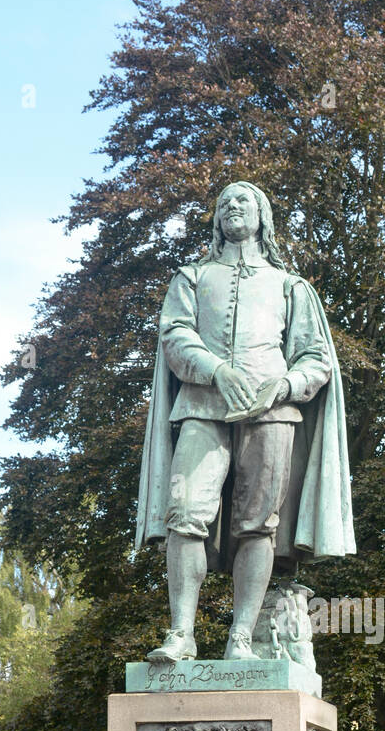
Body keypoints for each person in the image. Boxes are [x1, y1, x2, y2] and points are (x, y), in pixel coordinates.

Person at [136, 181, 355, 663]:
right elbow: (174, 336)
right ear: (215, 219)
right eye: (224, 203)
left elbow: (316, 358)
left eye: (244, 201)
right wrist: (216, 370)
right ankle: (181, 634)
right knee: (185, 514)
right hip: (201, 406)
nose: (233, 207)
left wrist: (284, 385)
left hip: (273, 409)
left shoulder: (290, 286)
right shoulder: (191, 277)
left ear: (263, 217)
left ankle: (241, 637)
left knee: (259, 525)